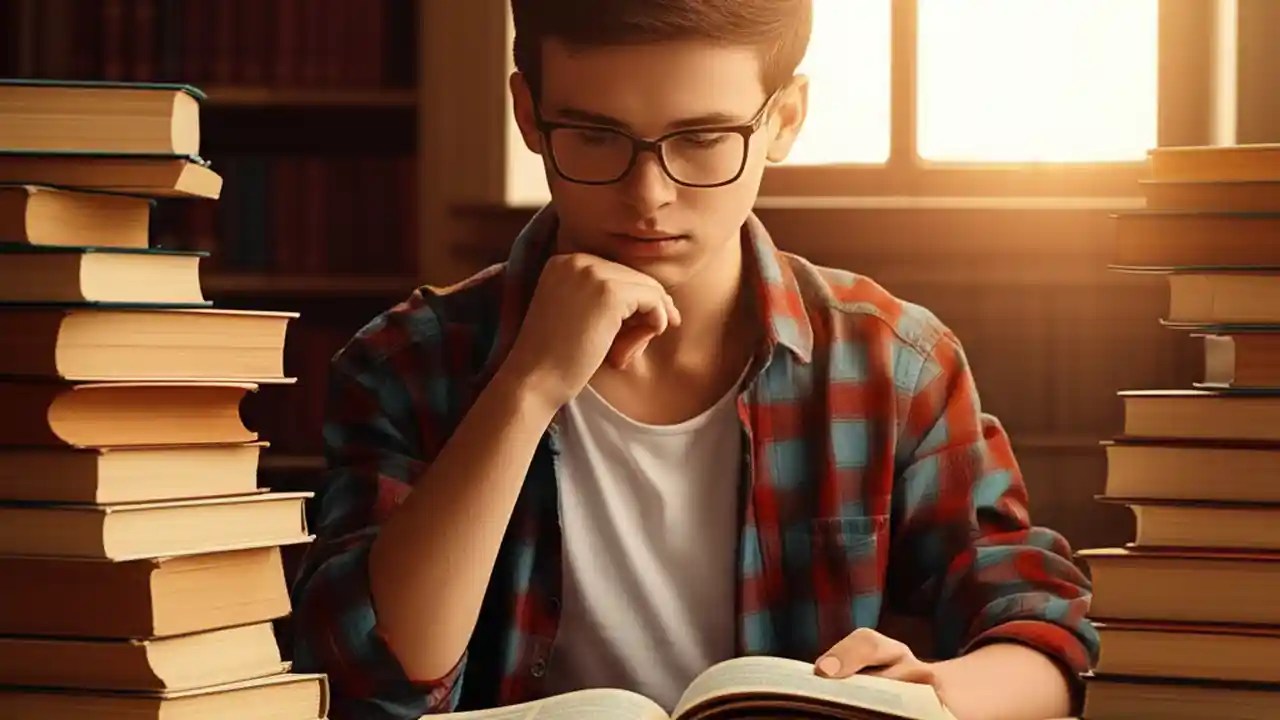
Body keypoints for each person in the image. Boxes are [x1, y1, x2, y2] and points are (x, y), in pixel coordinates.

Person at [290, 2, 1098, 718]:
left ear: (783, 119)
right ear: (528, 113)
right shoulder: (405, 363)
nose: (649, 194)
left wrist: (936, 693)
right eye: (596, 136)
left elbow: (1042, 629)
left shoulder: (894, 364)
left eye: (704, 139)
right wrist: (528, 385)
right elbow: (375, 672)